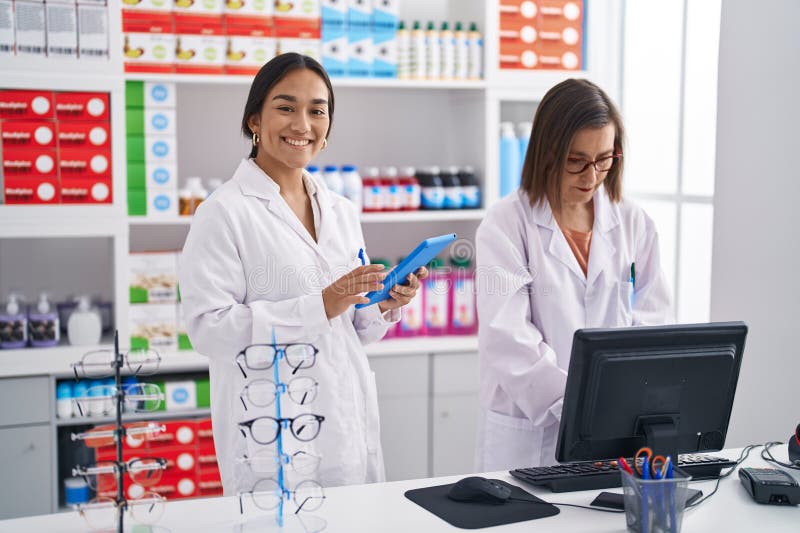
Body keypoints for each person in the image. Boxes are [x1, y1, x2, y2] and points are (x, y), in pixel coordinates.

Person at [179, 53, 426, 494]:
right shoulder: (223, 213)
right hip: (271, 436)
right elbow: (208, 329)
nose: (302, 124)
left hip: (346, 429)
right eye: (286, 107)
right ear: (255, 119)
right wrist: (319, 305)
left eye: (317, 111)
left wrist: (382, 304)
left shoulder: (341, 211)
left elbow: (349, 330)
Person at [474, 79, 672, 472]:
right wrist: (581, 405)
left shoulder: (633, 222)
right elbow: (508, 337)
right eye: (576, 160)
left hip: (615, 430)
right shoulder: (506, 224)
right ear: (548, 152)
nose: (592, 174)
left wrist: (627, 400)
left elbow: (652, 321)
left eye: (604, 159)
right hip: (532, 432)